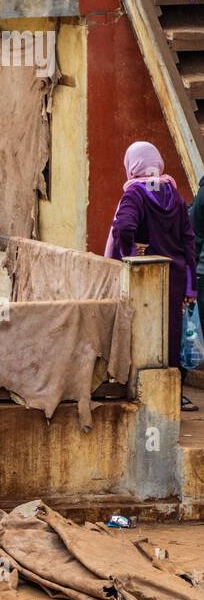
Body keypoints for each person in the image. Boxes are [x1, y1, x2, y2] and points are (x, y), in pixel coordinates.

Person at [106, 141, 198, 411]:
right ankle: (174, 393)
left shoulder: (135, 194)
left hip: (146, 281)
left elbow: (123, 227)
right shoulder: (173, 192)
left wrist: (131, 254)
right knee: (170, 335)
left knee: (144, 335)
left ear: (131, 166)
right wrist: (190, 287)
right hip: (176, 278)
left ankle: (147, 393)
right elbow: (188, 240)